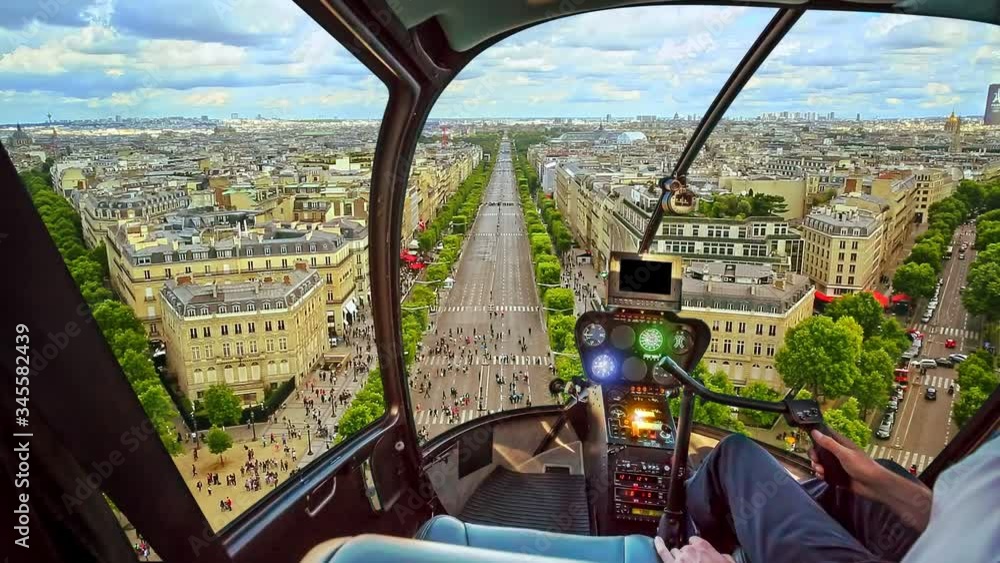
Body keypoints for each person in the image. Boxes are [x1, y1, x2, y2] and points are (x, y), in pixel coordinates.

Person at [654, 429, 999, 563]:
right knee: (885, 472)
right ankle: (747, 540)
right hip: (944, 540)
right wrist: (875, 481)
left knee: (735, 455)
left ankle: (687, 537)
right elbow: (970, 519)